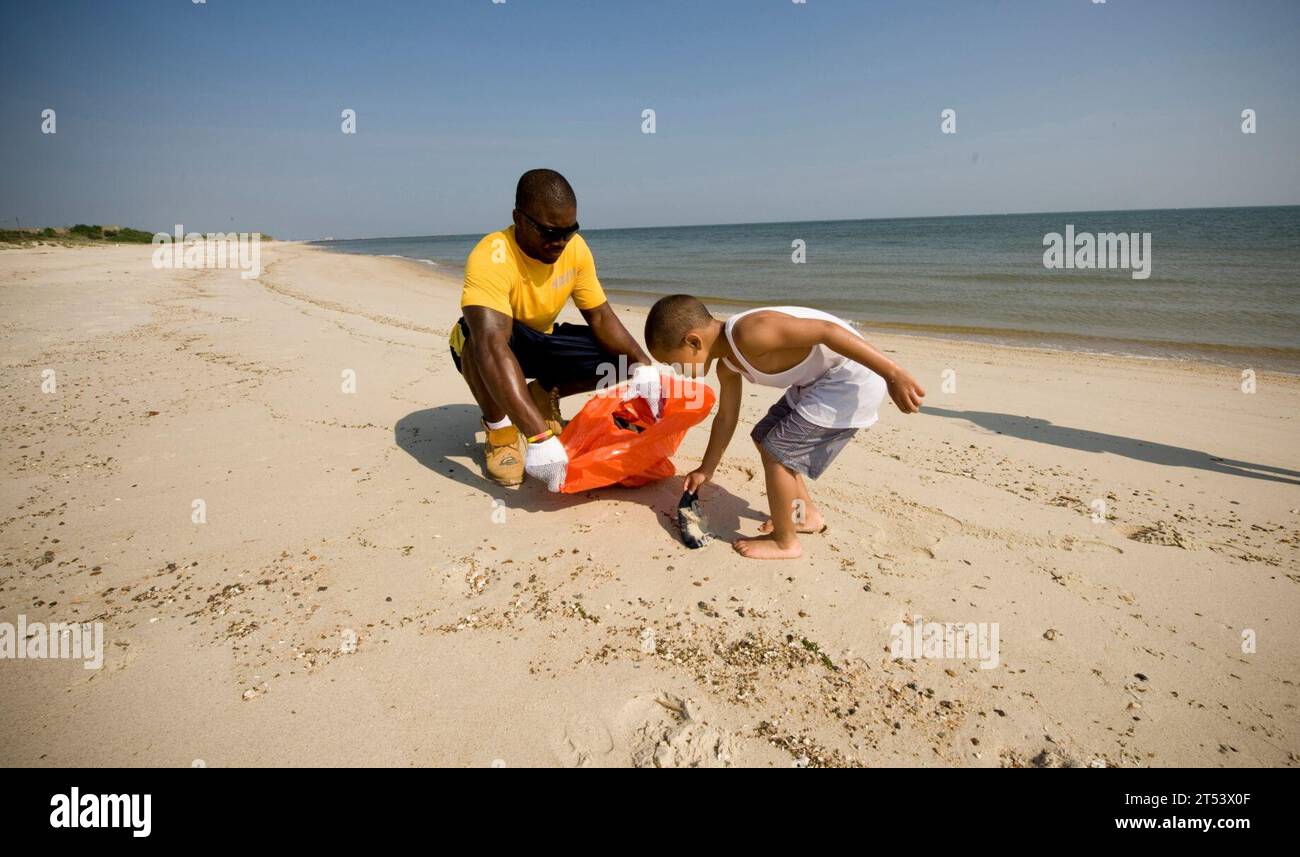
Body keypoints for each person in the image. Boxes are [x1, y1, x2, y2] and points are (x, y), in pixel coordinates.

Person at [644, 295, 925, 559]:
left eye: (673, 362)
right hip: (816, 383)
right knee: (764, 434)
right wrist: (707, 468)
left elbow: (828, 331)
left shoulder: (750, 333)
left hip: (849, 382)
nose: (676, 370)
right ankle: (805, 515)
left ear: (693, 342)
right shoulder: (727, 366)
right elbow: (726, 418)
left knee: (777, 451)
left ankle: (785, 541)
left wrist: (893, 373)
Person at [450, 169, 659, 490]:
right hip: (497, 341)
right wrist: (540, 438)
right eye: (549, 231)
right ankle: (501, 431)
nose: (560, 241)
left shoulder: (575, 249)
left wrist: (645, 369)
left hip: (541, 339)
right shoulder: (491, 255)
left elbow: (601, 316)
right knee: (477, 343)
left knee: (623, 360)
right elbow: (493, 346)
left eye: (569, 230)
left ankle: (541, 393)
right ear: (519, 218)